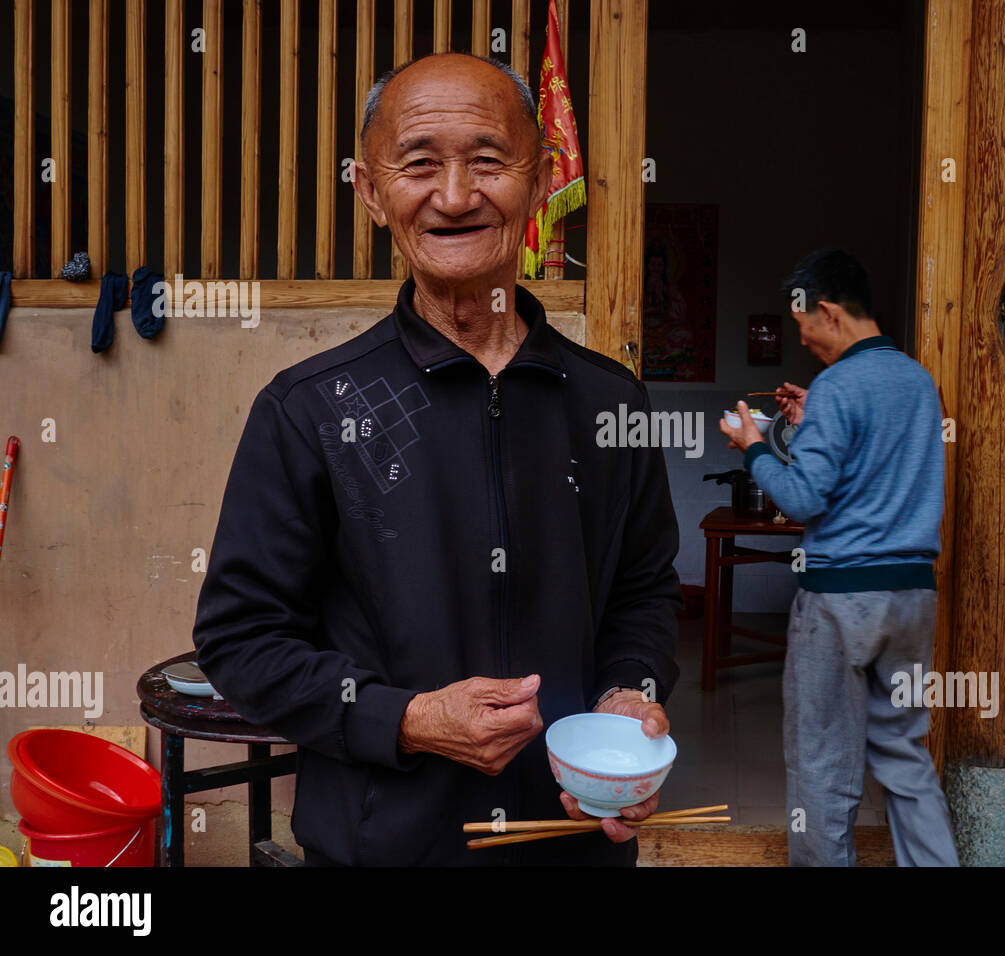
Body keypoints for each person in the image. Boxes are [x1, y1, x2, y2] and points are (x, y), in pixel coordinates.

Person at [192, 53, 681, 866]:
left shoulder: (609, 404)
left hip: (568, 843)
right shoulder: (309, 408)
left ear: (539, 179)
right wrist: (407, 720)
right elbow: (241, 639)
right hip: (379, 846)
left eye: (489, 161)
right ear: (371, 191)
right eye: (418, 164)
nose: (454, 196)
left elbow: (644, 592)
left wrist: (629, 695)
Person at [718, 248, 959, 867]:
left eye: (803, 327)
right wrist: (802, 426)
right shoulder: (917, 380)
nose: (803, 341)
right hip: (911, 595)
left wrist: (753, 445)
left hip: (840, 599)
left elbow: (804, 495)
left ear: (827, 311)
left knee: (823, 763)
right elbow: (872, 468)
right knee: (906, 756)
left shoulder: (837, 386)